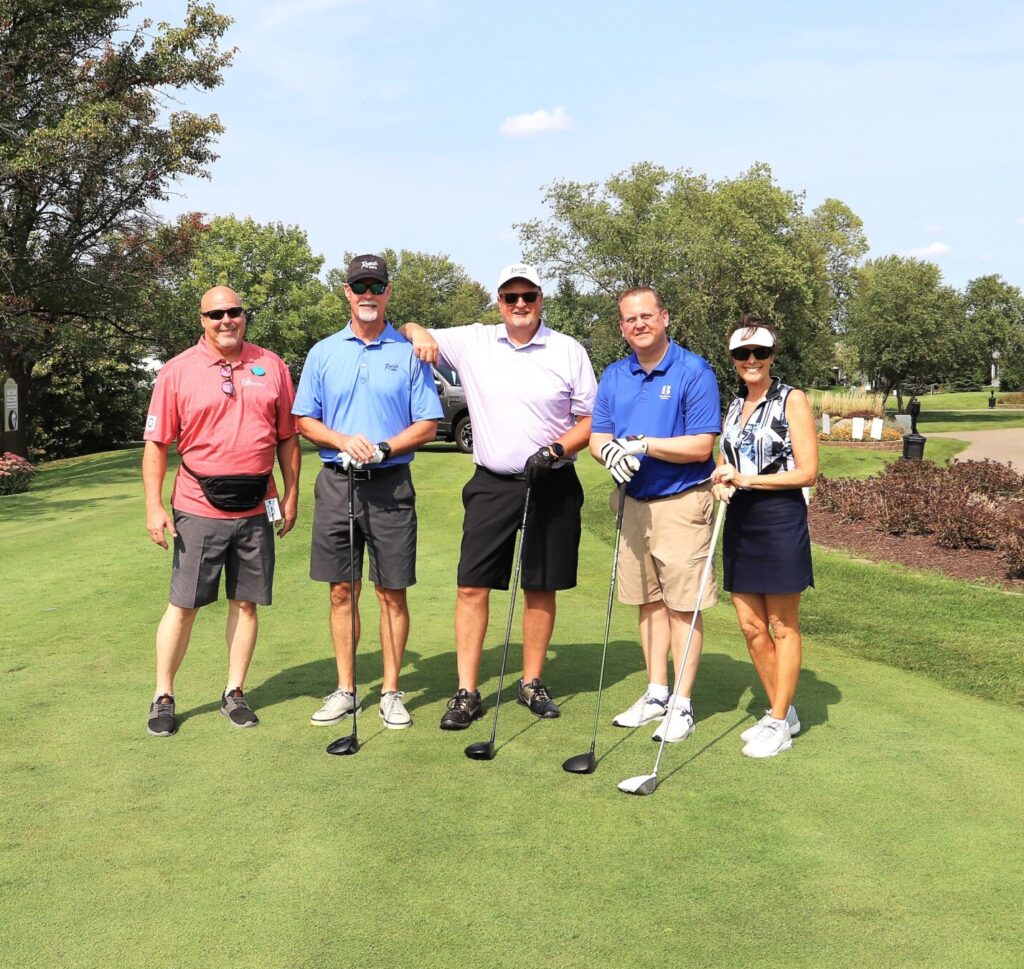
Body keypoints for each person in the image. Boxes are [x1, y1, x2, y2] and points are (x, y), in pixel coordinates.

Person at [401, 263, 597, 729]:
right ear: (499, 303)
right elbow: (411, 327)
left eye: (528, 296)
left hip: (551, 477)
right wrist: (417, 331)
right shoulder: (474, 340)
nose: (520, 305)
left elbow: (591, 420)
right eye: (511, 298)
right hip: (492, 482)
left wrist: (556, 449)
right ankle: (466, 691)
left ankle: (531, 683)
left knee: (540, 586)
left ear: (541, 300)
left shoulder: (568, 350)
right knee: (472, 585)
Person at [143, 286, 301, 736]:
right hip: (197, 506)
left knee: (246, 603)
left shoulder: (272, 366)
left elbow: (287, 437)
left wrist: (291, 494)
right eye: (216, 314)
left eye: (234, 311)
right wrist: (154, 505)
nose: (226, 320)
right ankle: (163, 695)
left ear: (243, 316)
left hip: (256, 507)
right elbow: (156, 445)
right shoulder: (176, 372)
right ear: (202, 320)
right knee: (184, 604)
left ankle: (234, 692)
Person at [294, 254, 442, 731]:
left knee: (391, 592)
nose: (368, 295)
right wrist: (342, 441)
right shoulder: (323, 352)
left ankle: (392, 690)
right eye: (360, 286)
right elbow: (304, 420)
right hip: (338, 483)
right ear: (346, 292)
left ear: (388, 293)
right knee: (342, 591)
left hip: (391, 484)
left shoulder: (408, 351)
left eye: (376, 287)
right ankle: (346, 688)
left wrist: (383, 447)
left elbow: (427, 423)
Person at [590, 287, 721, 743]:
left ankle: (682, 705)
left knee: (683, 604)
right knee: (647, 601)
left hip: (681, 502)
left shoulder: (693, 371)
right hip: (633, 504)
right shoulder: (614, 374)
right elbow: (597, 434)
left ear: (665, 317)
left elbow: (702, 445)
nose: (639, 324)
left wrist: (644, 444)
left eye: (647, 315)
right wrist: (610, 453)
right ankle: (656, 692)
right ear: (622, 326)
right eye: (630, 319)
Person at [711, 314, 818, 758]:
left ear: (773, 355)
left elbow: (808, 471)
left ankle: (777, 721)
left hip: (778, 518)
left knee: (780, 624)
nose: (751, 360)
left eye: (760, 352)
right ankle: (783, 710)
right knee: (752, 627)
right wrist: (721, 479)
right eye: (742, 353)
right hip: (741, 520)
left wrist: (747, 478)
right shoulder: (735, 405)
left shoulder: (792, 400)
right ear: (733, 359)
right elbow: (726, 456)